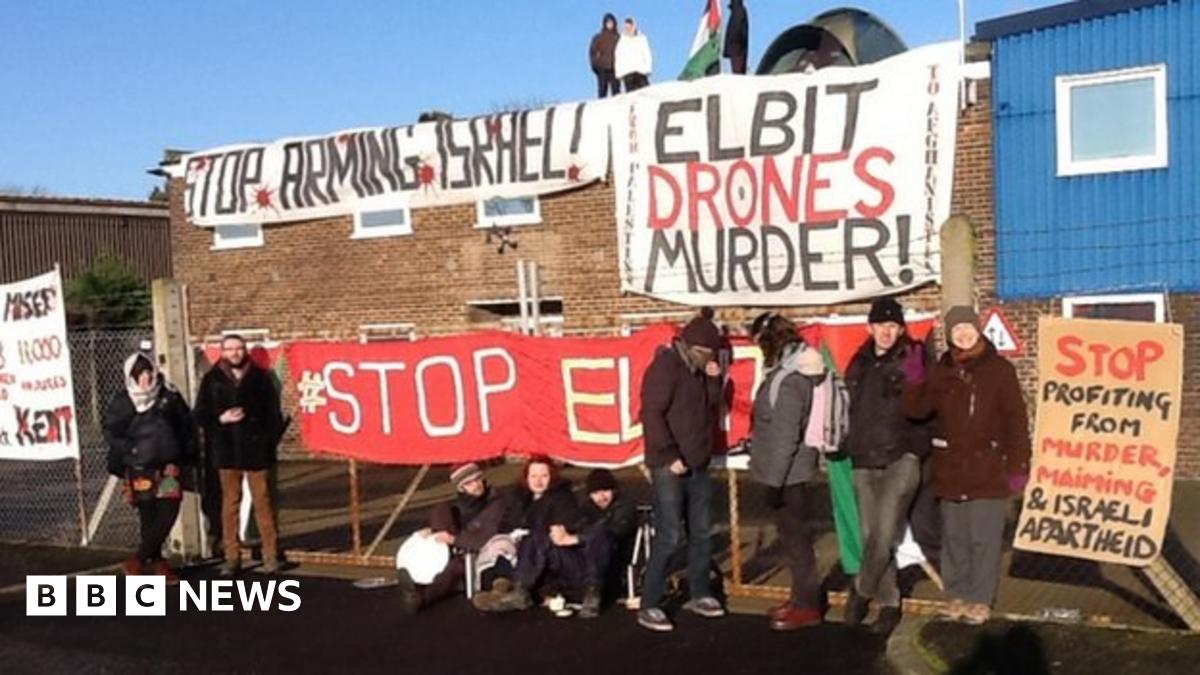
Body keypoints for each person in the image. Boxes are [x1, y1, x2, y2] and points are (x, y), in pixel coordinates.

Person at [901, 306, 1030, 625]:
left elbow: (1016, 419)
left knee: (983, 539)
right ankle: (956, 596)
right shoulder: (941, 370)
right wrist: (915, 377)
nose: (963, 334)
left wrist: (1018, 466)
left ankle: (980, 599)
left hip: (989, 467)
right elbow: (917, 410)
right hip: (950, 469)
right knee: (955, 538)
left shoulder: (1000, 370)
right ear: (949, 335)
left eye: (968, 328)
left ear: (978, 330)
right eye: (956, 329)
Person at [842, 298, 932, 634]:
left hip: (900, 458)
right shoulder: (859, 362)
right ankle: (890, 602)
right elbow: (848, 407)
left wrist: (915, 450)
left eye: (893, 326)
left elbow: (925, 403)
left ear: (901, 329)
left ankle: (861, 591)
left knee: (882, 534)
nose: (886, 331)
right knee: (870, 536)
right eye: (881, 325)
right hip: (864, 459)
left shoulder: (912, 357)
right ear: (870, 327)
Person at [637, 316, 726, 632]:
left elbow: (710, 408)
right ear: (693, 347)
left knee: (701, 532)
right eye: (707, 352)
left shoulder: (699, 372)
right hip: (668, 464)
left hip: (698, 462)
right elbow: (650, 413)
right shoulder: (665, 367)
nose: (710, 359)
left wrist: (715, 381)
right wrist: (669, 455)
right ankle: (650, 602)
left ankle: (700, 592)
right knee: (670, 534)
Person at [748, 313, 827, 630]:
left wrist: (775, 482)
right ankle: (800, 599)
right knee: (793, 539)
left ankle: (808, 605)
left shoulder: (790, 379)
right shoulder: (788, 371)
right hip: (787, 472)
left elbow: (786, 435)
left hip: (789, 475)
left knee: (797, 542)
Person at [476, 457, 609, 618]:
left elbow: (562, 530)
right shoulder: (518, 498)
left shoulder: (563, 499)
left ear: (552, 477)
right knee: (502, 546)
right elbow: (505, 525)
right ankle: (501, 590)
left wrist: (564, 536)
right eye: (533, 476)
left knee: (534, 539)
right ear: (526, 477)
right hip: (520, 550)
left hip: (552, 555)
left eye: (544, 476)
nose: (538, 481)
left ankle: (518, 591)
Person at [195, 334, 284, 576]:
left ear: (245, 350)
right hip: (226, 450)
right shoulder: (212, 379)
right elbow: (200, 414)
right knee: (229, 504)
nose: (235, 353)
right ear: (222, 352)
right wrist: (220, 419)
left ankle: (271, 554)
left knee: (263, 502)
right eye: (230, 349)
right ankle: (232, 556)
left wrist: (265, 440)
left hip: (256, 450)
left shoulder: (260, 378)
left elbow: (273, 414)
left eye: (239, 348)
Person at [103, 353, 196, 584]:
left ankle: (138, 559)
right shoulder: (123, 401)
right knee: (149, 515)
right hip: (140, 467)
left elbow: (185, 425)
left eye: (149, 373)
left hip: (168, 466)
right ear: (132, 377)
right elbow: (111, 431)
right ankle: (158, 563)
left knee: (169, 510)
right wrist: (129, 449)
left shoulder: (168, 396)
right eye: (140, 374)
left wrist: (185, 452)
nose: (146, 378)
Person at [395, 462, 507, 614]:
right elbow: (450, 523)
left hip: (479, 550)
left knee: (456, 566)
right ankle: (417, 575)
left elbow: (486, 537)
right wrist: (431, 531)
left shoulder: (496, 502)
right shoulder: (460, 503)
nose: (476, 485)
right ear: (461, 487)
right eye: (469, 483)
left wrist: (454, 540)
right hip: (455, 545)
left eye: (477, 479)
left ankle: (422, 598)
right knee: (441, 510)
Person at [578, 468, 638, 601]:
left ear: (614, 490)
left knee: (600, 537)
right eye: (596, 493)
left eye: (605, 491)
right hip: (584, 564)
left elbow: (617, 530)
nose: (601, 497)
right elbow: (576, 526)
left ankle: (593, 590)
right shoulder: (584, 510)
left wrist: (578, 538)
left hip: (613, 565)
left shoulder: (624, 507)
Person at [614, 16, 653, 92]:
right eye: (626, 28)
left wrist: (648, 68)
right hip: (628, 72)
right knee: (631, 95)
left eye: (630, 27)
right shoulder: (622, 41)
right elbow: (618, 57)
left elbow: (647, 54)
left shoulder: (642, 38)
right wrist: (619, 73)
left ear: (634, 26)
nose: (629, 29)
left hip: (641, 71)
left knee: (646, 93)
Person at [589, 13, 621, 98]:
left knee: (616, 92)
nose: (610, 24)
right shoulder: (598, 37)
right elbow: (592, 53)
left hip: (615, 68)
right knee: (602, 92)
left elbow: (623, 52)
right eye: (608, 22)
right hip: (602, 69)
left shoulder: (618, 37)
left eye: (611, 22)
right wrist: (596, 66)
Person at [724, 0, 750, 74]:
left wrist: (734, 44)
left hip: (737, 48)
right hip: (736, 47)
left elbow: (737, 31)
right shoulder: (738, 11)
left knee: (737, 72)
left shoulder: (738, 11)